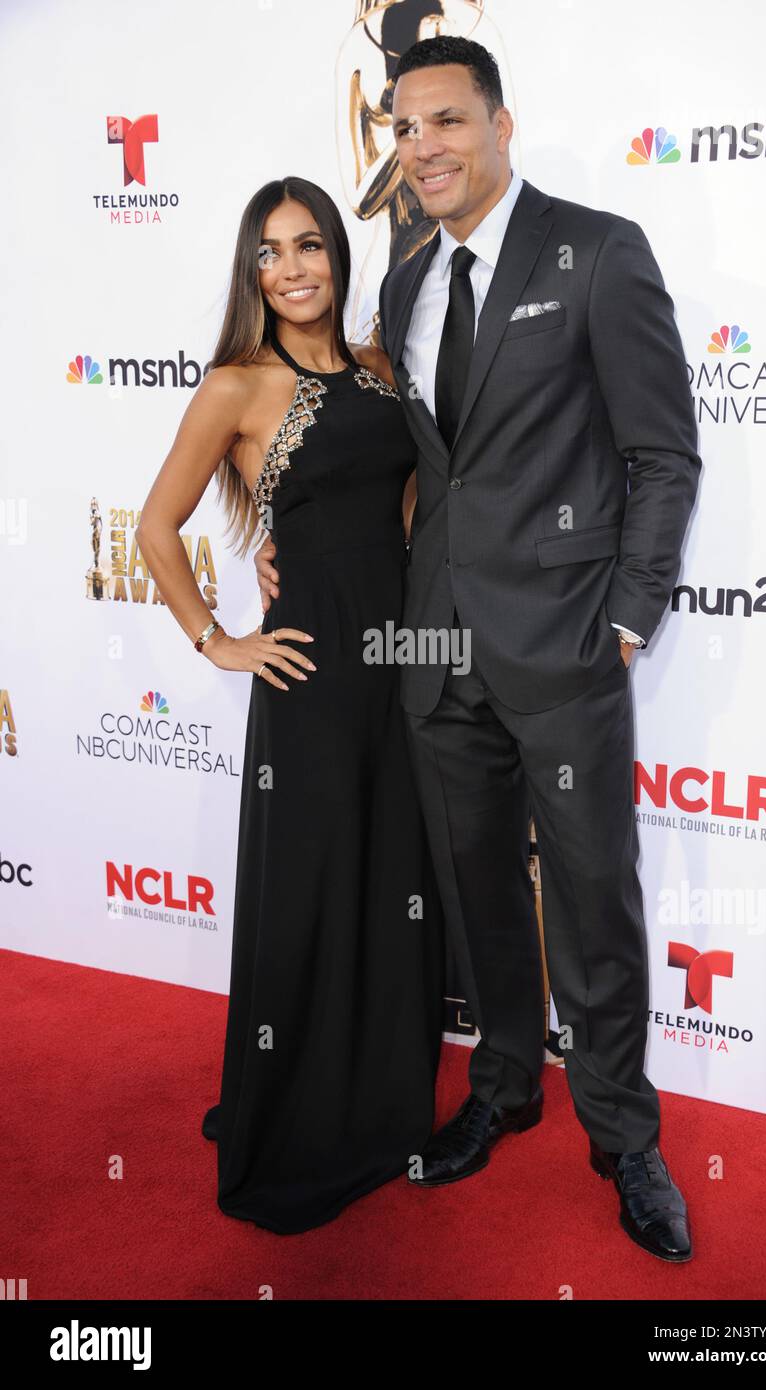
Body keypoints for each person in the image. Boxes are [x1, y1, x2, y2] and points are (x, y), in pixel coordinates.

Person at [255, 38, 701, 1261]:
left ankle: (623, 1137)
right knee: (476, 896)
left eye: (447, 121)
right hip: (430, 644)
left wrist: (623, 617)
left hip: (561, 646)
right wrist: (291, 540)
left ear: (501, 124)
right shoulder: (400, 276)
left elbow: (661, 454)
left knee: (592, 903)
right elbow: (406, 459)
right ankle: (502, 1087)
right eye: (404, 129)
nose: (425, 147)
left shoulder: (597, 250)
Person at [136, 176, 444, 1235]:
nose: (295, 267)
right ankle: (297, 1114)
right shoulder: (234, 384)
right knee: (311, 887)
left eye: (310, 244)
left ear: (334, 255)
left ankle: (378, 1103)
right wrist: (219, 639)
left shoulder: (378, 368)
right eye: (270, 252)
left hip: (396, 656)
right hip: (307, 671)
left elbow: (406, 501)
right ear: (250, 271)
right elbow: (155, 530)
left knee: (388, 878)